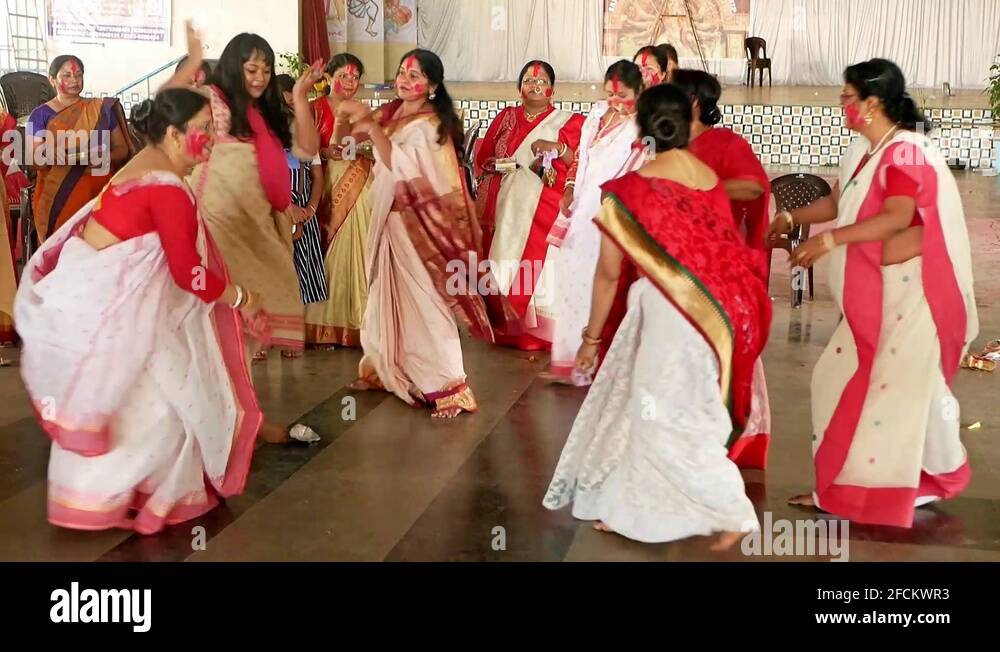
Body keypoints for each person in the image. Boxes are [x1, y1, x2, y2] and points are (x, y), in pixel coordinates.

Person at [14, 89, 265, 534]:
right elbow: (190, 274)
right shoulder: (168, 188)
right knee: (161, 406)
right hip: (115, 313)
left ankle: (94, 497)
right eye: (203, 130)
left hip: (98, 301)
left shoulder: (142, 165)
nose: (211, 139)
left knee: (136, 402)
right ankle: (131, 496)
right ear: (173, 133)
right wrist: (242, 299)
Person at [542, 84, 771, 546]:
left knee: (658, 414)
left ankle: (729, 507)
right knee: (681, 407)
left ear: (641, 128)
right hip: (719, 310)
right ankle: (635, 507)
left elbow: (608, 275)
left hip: (670, 313)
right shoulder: (707, 178)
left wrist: (589, 341)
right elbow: (721, 249)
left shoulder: (629, 191)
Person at [767, 59, 978, 528]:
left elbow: (899, 217)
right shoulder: (863, 150)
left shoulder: (906, 152)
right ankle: (891, 480)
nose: (841, 106)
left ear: (873, 102)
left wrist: (830, 240)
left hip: (912, 293)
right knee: (876, 386)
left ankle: (887, 487)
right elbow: (838, 204)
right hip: (876, 292)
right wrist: (791, 219)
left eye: (847, 97)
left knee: (889, 390)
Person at [166, 25, 322, 444]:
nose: (259, 78)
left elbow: (307, 149)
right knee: (218, 327)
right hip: (217, 228)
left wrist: (303, 98)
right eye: (251, 68)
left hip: (256, 228)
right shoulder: (212, 102)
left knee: (239, 330)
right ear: (233, 68)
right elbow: (164, 103)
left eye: (266, 71)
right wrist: (195, 62)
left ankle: (237, 421)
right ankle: (215, 424)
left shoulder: (266, 113)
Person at [334, 49, 496, 419]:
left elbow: (402, 167)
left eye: (415, 75)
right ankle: (383, 365)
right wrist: (350, 115)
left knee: (426, 301)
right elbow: (349, 142)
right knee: (383, 294)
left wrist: (371, 128)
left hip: (417, 224)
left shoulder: (429, 126)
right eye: (403, 72)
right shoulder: (393, 114)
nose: (405, 80)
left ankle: (453, 385)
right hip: (388, 219)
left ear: (433, 86)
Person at [545, 60, 647, 383]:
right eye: (609, 94)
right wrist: (570, 188)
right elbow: (579, 158)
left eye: (623, 95)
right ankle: (566, 361)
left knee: (598, 282)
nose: (615, 102)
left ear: (639, 93)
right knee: (569, 280)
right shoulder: (594, 115)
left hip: (610, 215)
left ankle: (590, 365)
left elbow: (638, 176)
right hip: (580, 210)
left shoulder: (641, 129)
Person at [475, 60, 585, 351]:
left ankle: (534, 333)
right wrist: (500, 165)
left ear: (552, 89)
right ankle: (505, 327)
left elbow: (578, 160)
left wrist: (557, 150)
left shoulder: (568, 121)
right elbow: (482, 158)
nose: (535, 85)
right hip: (507, 203)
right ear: (519, 88)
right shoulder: (506, 117)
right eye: (528, 80)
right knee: (503, 261)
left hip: (544, 205)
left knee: (537, 267)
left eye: (541, 80)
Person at [305, 53, 374, 348]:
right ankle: (325, 324)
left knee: (361, 250)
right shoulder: (313, 110)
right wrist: (323, 153)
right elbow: (300, 149)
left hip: (362, 183)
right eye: (344, 76)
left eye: (355, 77)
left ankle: (362, 322)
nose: (349, 82)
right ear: (329, 78)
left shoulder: (362, 111)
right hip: (326, 184)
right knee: (331, 253)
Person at [27, 55, 135, 242]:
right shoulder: (39, 115)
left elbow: (122, 149)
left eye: (78, 74)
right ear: (52, 80)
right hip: (57, 199)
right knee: (61, 254)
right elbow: (34, 158)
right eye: (67, 75)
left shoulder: (101, 109)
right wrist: (58, 156)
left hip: (98, 197)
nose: (74, 80)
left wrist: (102, 156)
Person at [275, 74, 326, 359]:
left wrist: (310, 209)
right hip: (275, 212)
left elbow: (317, 176)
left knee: (300, 274)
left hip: (304, 212)